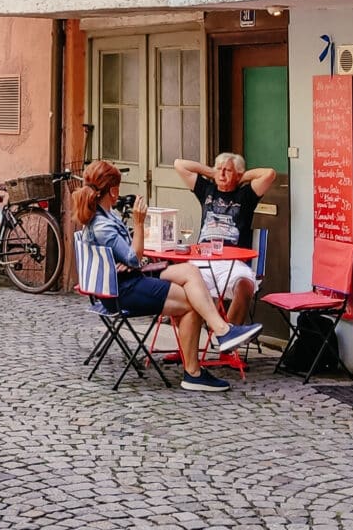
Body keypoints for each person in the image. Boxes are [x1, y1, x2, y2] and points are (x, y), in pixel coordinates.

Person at [72, 160, 262, 392]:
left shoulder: (104, 217)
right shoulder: (103, 225)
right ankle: (193, 372)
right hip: (123, 291)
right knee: (192, 303)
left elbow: (129, 259)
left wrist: (129, 258)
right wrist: (139, 224)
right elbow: (133, 258)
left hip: (128, 280)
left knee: (190, 271)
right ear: (113, 191)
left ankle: (223, 331)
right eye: (118, 188)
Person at [171, 151, 280, 323]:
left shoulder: (246, 195)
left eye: (227, 171)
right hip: (204, 259)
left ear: (237, 174)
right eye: (219, 169)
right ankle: (189, 341)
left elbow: (270, 174)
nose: (221, 174)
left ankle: (228, 338)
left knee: (245, 286)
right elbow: (179, 164)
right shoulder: (206, 189)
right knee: (182, 286)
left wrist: (242, 177)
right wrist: (211, 172)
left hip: (233, 262)